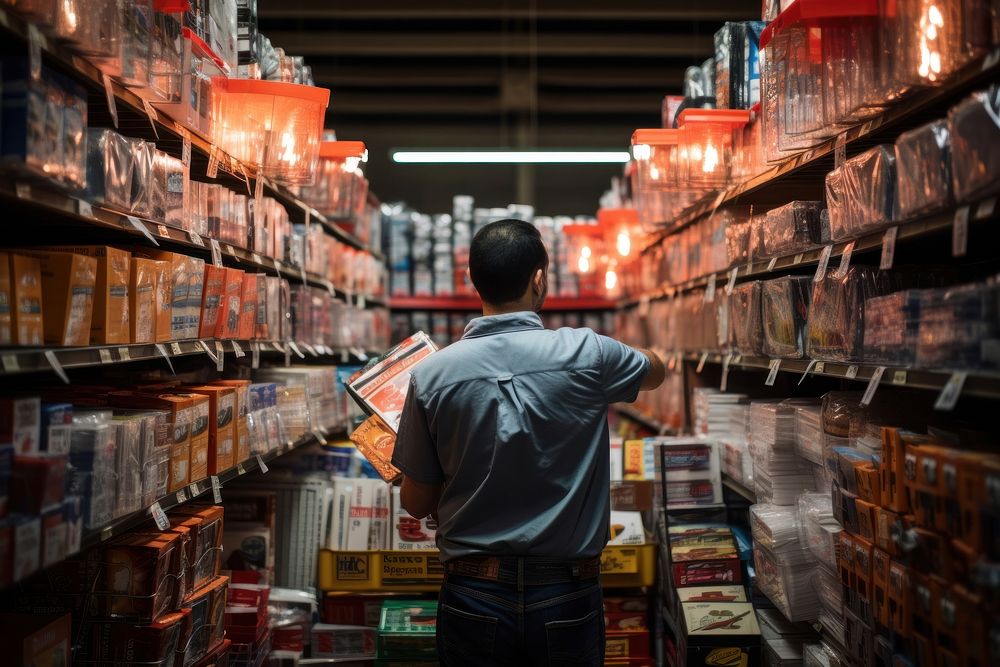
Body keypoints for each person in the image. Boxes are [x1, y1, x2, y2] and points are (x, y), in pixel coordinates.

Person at [391, 218, 666, 665]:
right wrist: (643, 356)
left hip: (472, 591)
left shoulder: (431, 375)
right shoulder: (589, 352)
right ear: (539, 280)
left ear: (472, 280)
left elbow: (417, 504)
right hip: (567, 590)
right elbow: (655, 372)